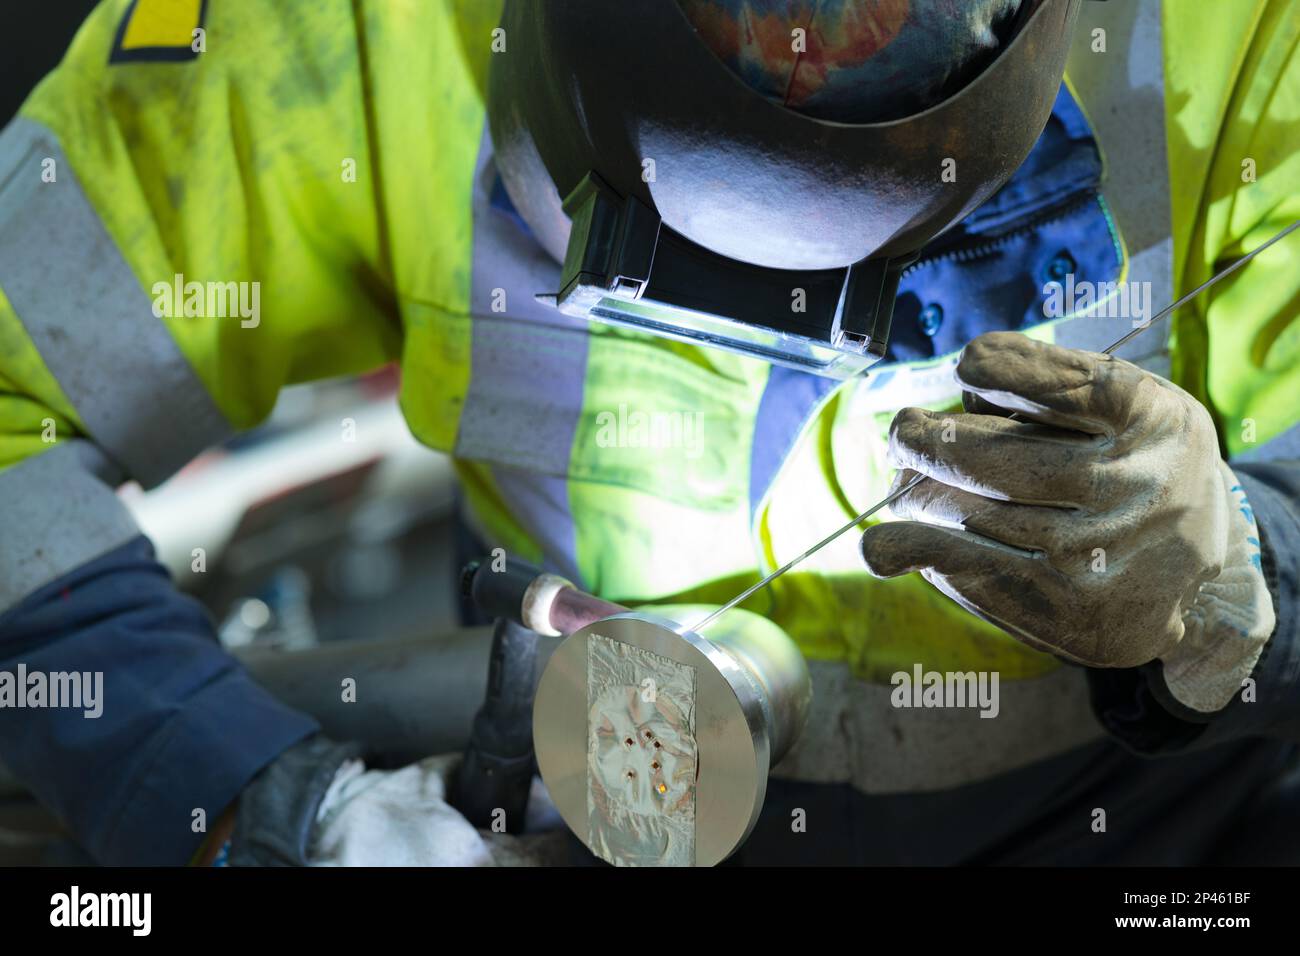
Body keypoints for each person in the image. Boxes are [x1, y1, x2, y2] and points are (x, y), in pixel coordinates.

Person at [0, 0, 1295, 866]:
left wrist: (1240, 577)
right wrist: (264, 808)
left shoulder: (1249, 44)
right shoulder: (337, 32)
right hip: (580, 822)